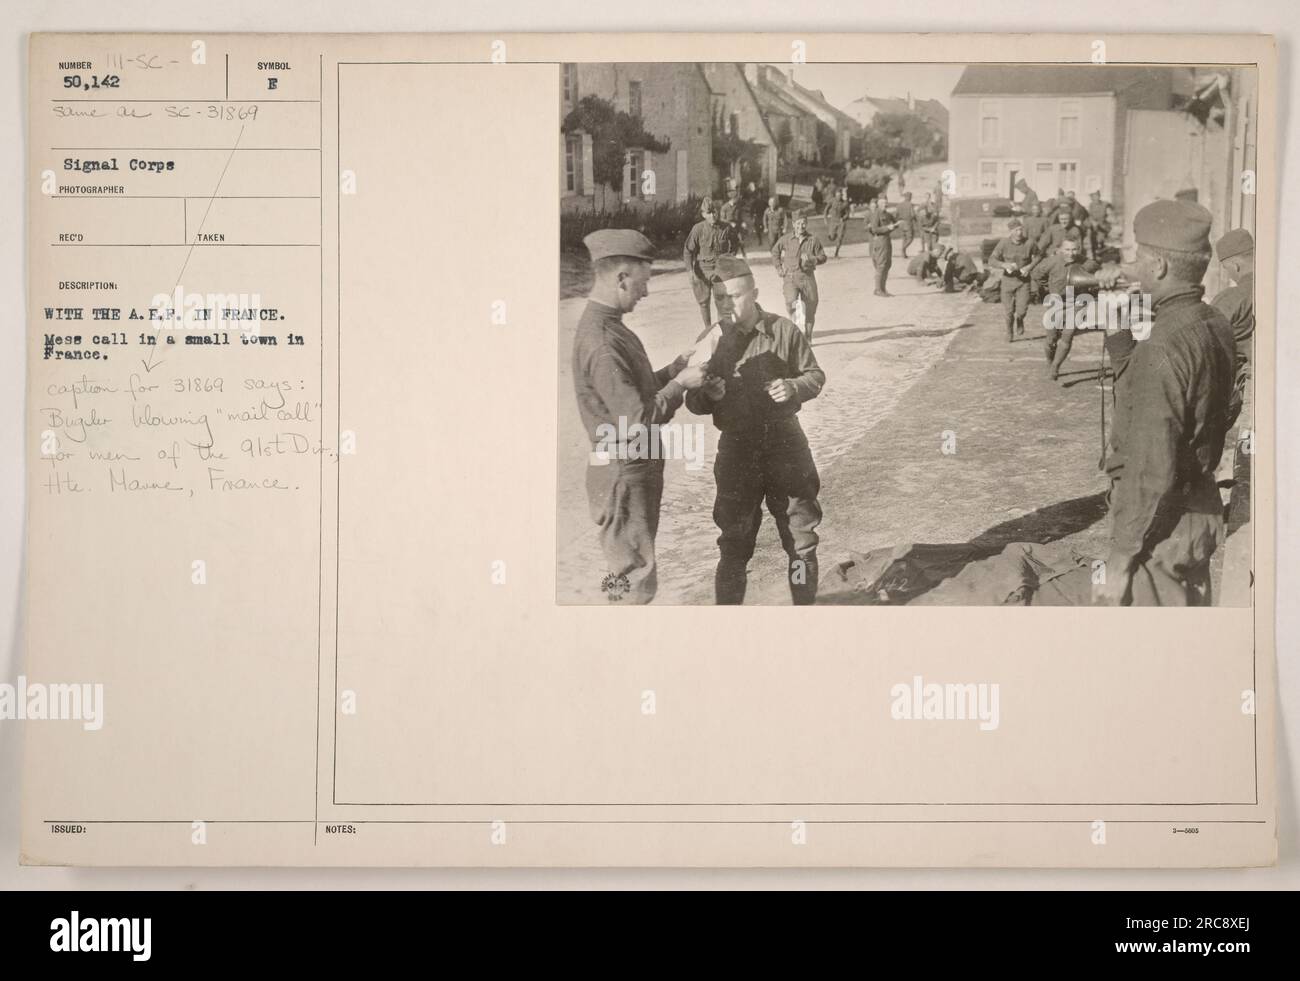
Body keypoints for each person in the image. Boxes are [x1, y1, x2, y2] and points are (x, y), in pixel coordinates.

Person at [1093, 200, 1236, 606]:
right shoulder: (1212, 322)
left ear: (1157, 266)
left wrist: (1119, 562)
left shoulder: (1165, 343)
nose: (1132, 264)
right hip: (1197, 515)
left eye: (1138, 256)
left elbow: (1151, 467)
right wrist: (1118, 333)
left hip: (1160, 528)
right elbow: (1155, 391)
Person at [571, 229, 709, 604]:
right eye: (642, 284)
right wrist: (680, 385)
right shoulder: (602, 340)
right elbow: (638, 421)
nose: (646, 293)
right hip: (624, 472)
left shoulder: (610, 325)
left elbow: (633, 391)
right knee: (635, 578)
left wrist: (670, 371)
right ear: (620, 278)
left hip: (628, 469)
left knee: (626, 572)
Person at [685, 256, 826, 605]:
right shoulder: (713, 340)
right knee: (734, 544)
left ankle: (804, 613)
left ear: (755, 293)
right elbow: (693, 400)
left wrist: (794, 387)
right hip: (738, 452)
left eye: (733, 296)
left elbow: (815, 375)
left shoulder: (783, 330)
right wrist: (708, 394)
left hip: (786, 447)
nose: (726, 305)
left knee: (800, 541)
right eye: (719, 298)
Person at [1211, 228, 1255, 429]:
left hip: (1245, 392)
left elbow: (1202, 338)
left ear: (1235, 265)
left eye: (1226, 269)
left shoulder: (1233, 297)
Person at [1032, 237, 1085, 381]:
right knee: (1051, 339)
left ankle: (1055, 367)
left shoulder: (1083, 262)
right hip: (1055, 302)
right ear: (1061, 250)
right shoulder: (1052, 262)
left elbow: (1095, 270)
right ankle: (1050, 362)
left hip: (1076, 302)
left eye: (1074, 249)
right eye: (1067, 249)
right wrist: (1047, 288)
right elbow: (1036, 274)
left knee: (1068, 334)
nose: (1071, 253)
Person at [683, 198, 740, 328]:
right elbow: (687, 252)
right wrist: (690, 271)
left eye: (714, 212)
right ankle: (708, 329)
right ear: (703, 214)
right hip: (703, 270)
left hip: (720, 270)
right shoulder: (698, 229)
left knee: (722, 301)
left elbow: (735, 243)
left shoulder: (726, 228)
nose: (712, 215)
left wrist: (729, 259)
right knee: (703, 302)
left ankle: (722, 330)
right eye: (709, 212)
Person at [772, 214, 828, 343]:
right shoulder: (786, 239)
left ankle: (808, 336)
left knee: (811, 306)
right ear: (793, 224)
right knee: (791, 302)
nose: (800, 226)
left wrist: (813, 259)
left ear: (806, 223)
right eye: (798, 223)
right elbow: (775, 251)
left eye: (803, 223)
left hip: (807, 278)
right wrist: (779, 268)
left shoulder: (813, 240)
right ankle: (796, 330)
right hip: (790, 278)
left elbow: (823, 257)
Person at [988, 218, 1039, 342]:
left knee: (1022, 310)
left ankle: (1020, 320)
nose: (1019, 233)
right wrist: (1004, 265)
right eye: (1016, 230)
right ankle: (1009, 331)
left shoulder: (1029, 243)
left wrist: (1029, 266)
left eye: (1021, 229)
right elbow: (991, 260)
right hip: (1007, 281)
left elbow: (1039, 255)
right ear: (1010, 232)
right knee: (1008, 311)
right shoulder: (1003, 243)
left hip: (1023, 282)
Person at [867, 198, 899, 297]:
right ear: (879, 204)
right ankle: (877, 289)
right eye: (883, 203)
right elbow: (874, 229)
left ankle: (883, 289)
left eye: (886, 202)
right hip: (880, 241)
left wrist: (895, 225)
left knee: (887, 265)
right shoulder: (876, 214)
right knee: (881, 265)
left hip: (887, 241)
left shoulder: (888, 214)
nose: (886, 204)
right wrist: (887, 228)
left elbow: (895, 223)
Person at [718, 186, 748, 259]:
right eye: (736, 198)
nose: (737, 199)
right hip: (728, 228)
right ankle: (731, 256)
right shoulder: (724, 207)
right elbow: (721, 219)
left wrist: (743, 222)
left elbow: (740, 217)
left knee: (741, 240)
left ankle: (744, 255)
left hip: (737, 227)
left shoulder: (738, 206)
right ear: (732, 199)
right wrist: (730, 223)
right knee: (731, 243)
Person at [823, 187, 851, 259]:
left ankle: (836, 253)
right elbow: (826, 210)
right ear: (835, 195)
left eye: (840, 195)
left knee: (840, 237)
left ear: (841, 195)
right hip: (833, 221)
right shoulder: (832, 201)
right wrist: (825, 219)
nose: (838, 196)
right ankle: (832, 236)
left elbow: (848, 214)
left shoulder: (845, 203)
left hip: (841, 222)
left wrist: (843, 218)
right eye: (837, 195)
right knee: (832, 237)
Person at [896, 191, 917, 259]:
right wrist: (916, 220)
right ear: (909, 197)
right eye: (910, 197)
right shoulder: (910, 204)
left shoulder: (899, 204)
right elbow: (913, 214)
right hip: (908, 223)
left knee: (904, 238)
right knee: (910, 238)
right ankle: (903, 248)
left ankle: (903, 254)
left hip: (901, 223)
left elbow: (896, 214)